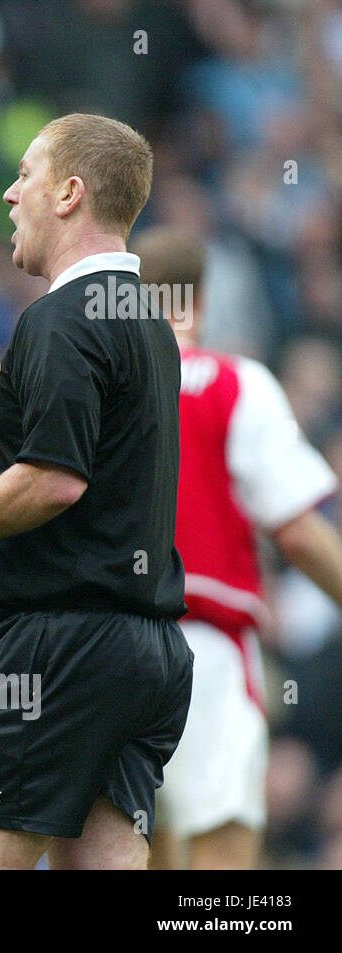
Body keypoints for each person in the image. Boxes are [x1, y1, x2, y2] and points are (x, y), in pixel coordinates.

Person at [0, 113, 192, 869]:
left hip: (58, 649)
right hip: (146, 655)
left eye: (25, 175)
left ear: (69, 194)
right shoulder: (142, 318)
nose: (11, 193)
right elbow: (46, 422)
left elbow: (53, 474)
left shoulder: (59, 320)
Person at [131, 226, 342, 869]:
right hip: (205, 651)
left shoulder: (90, 393)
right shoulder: (234, 384)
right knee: (219, 869)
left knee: (132, 849)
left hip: (101, 650)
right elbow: (298, 530)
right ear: (200, 296)